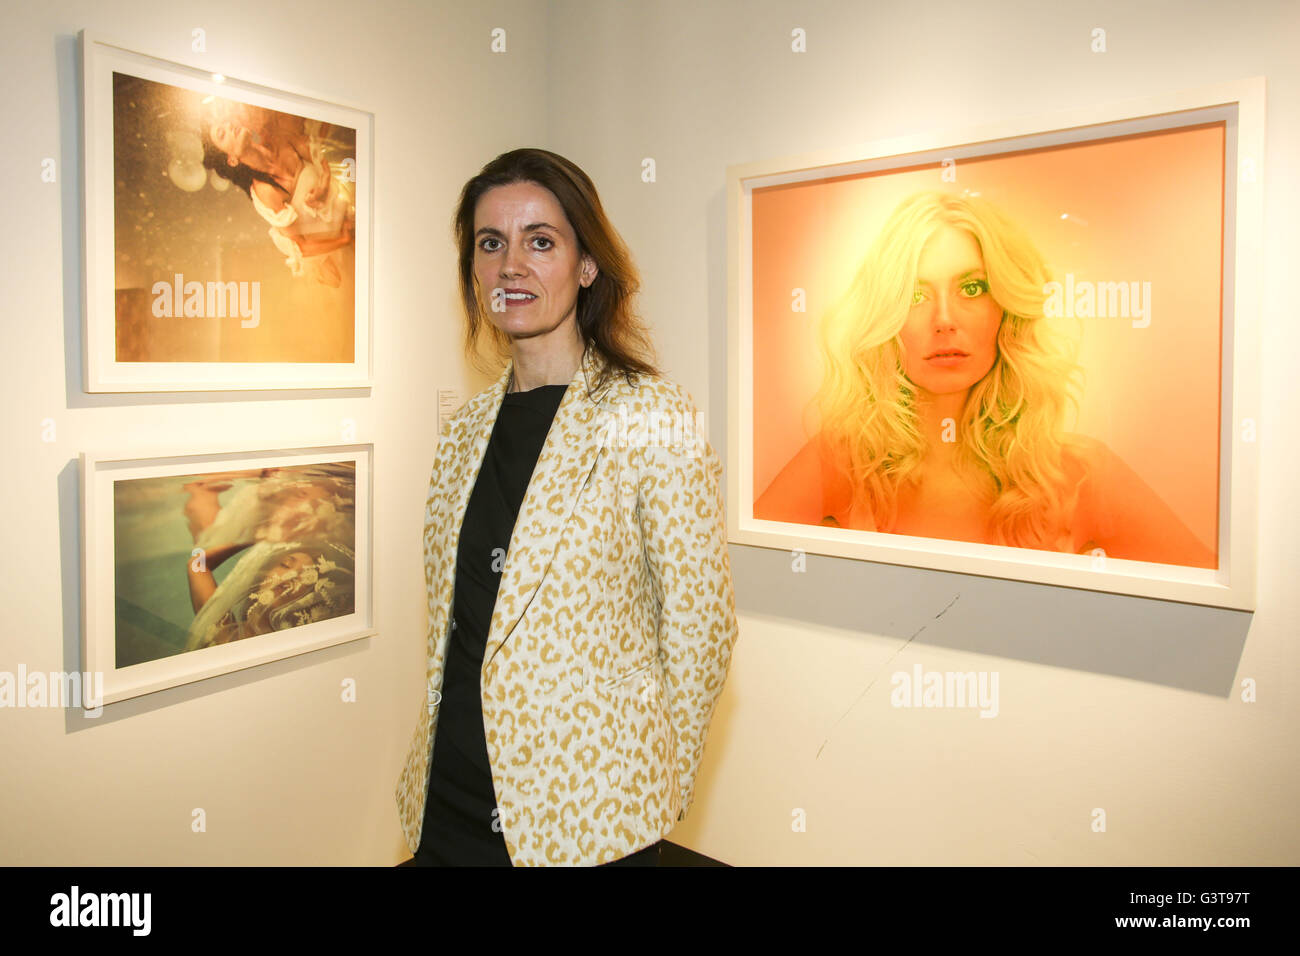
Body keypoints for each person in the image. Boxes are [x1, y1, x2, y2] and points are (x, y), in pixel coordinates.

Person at [395, 148, 738, 866]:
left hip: (587, 816)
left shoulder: (650, 414)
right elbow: (458, 631)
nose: (511, 265)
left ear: (586, 266)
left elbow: (702, 627)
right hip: (449, 803)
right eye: (491, 244)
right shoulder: (462, 432)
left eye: (540, 241)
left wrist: (650, 783)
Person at [754, 190, 1216, 568]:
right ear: (886, 316)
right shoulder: (842, 460)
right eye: (915, 294)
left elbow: (1215, 612)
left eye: (972, 288)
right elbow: (740, 580)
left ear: (1006, 310)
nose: (944, 319)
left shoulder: (1080, 473)